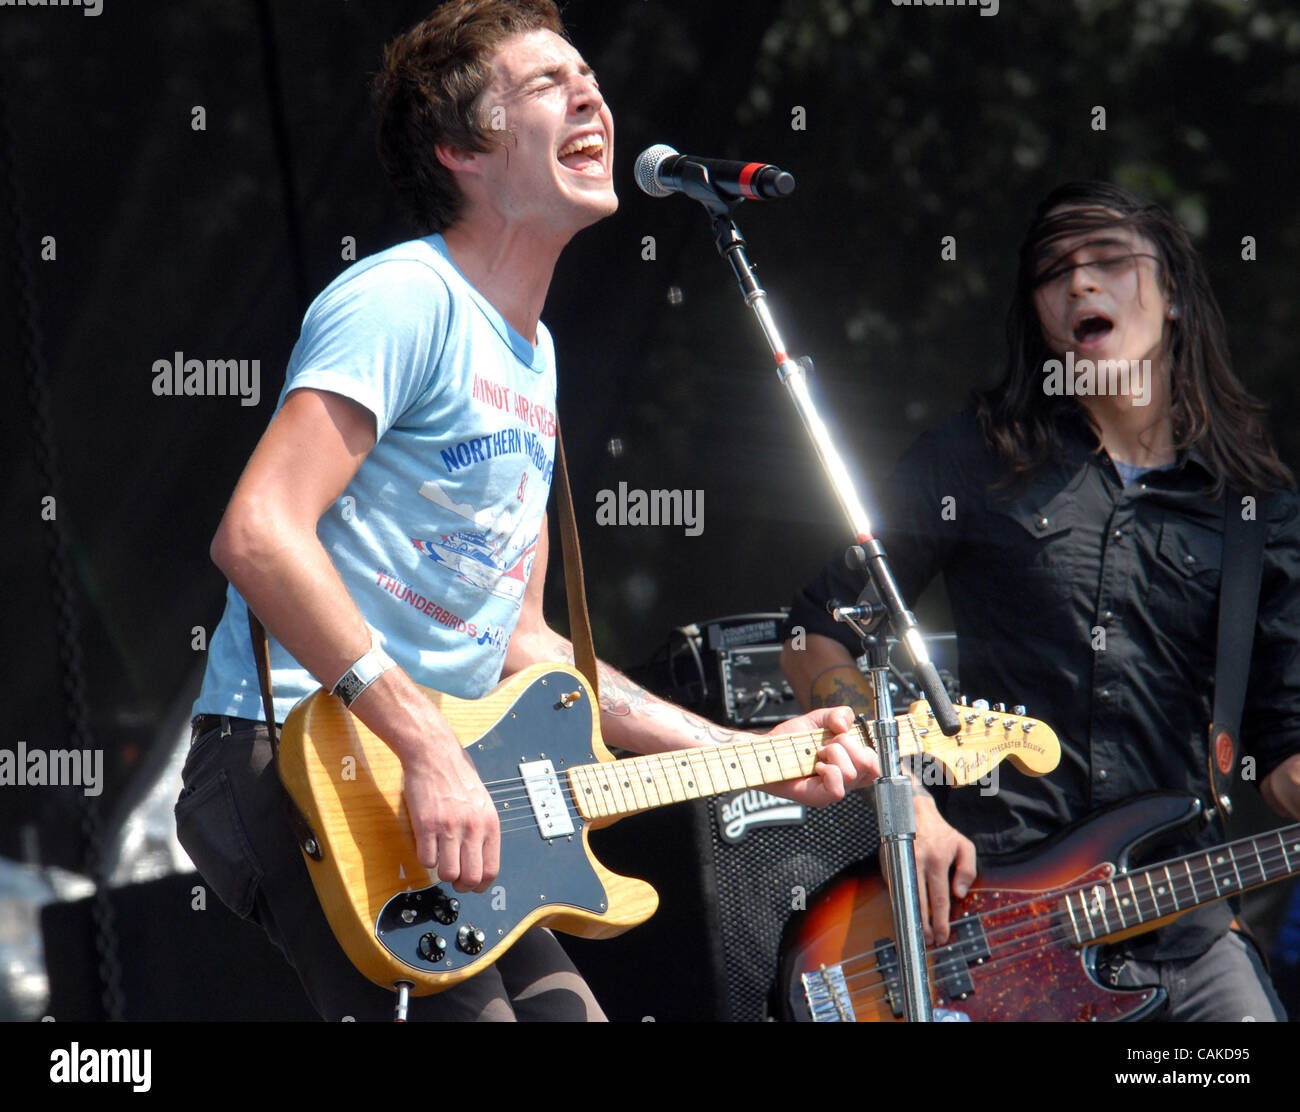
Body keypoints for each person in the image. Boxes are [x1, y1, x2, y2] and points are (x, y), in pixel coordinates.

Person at [175, 0, 878, 1022]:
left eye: (587, 74)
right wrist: (422, 743)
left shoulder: (536, 358)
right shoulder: (402, 299)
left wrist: (740, 752)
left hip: (441, 778)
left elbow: (526, 642)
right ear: (460, 146)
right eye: (545, 83)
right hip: (296, 751)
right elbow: (256, 532)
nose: (589, 92)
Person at [781, 180, 1300, 1021]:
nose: (1080, 285)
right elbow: (815, 632)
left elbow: (1281, 750)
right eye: (1054, 272)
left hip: (1181, 921)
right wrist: (903, 800)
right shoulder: (975, 460)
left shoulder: (1254, 511)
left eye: (1108, 262)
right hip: (989, 922)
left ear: (1171, 297)